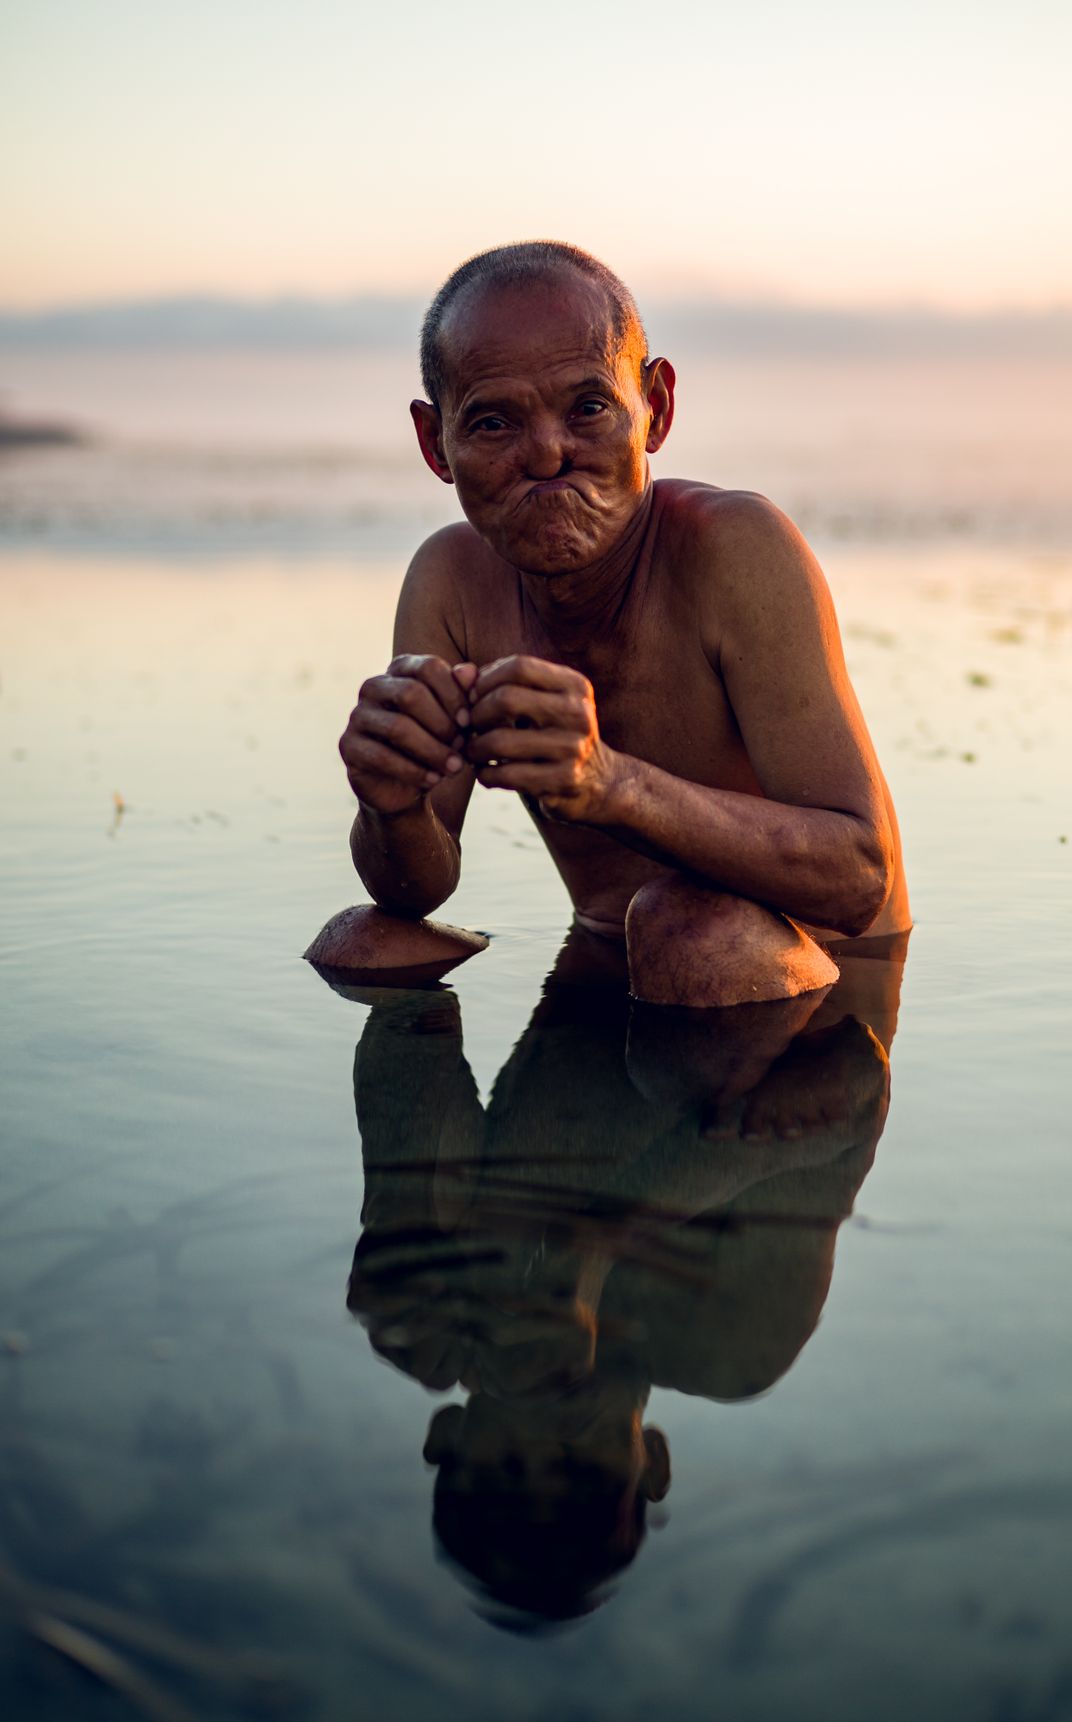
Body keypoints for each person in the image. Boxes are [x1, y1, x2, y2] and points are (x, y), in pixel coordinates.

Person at [331, 242, 911, 1006]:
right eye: (495, 423)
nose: (545, 454)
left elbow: (857, 880)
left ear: (656, 408)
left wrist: (611, 784)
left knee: (688, 932)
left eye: (588, 408)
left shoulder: (734, 550)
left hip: (813, 978)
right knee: (363, 942)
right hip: (616, 959)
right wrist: (390, 803)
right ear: (436, 444)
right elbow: (414, 889)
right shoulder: (452, 580)